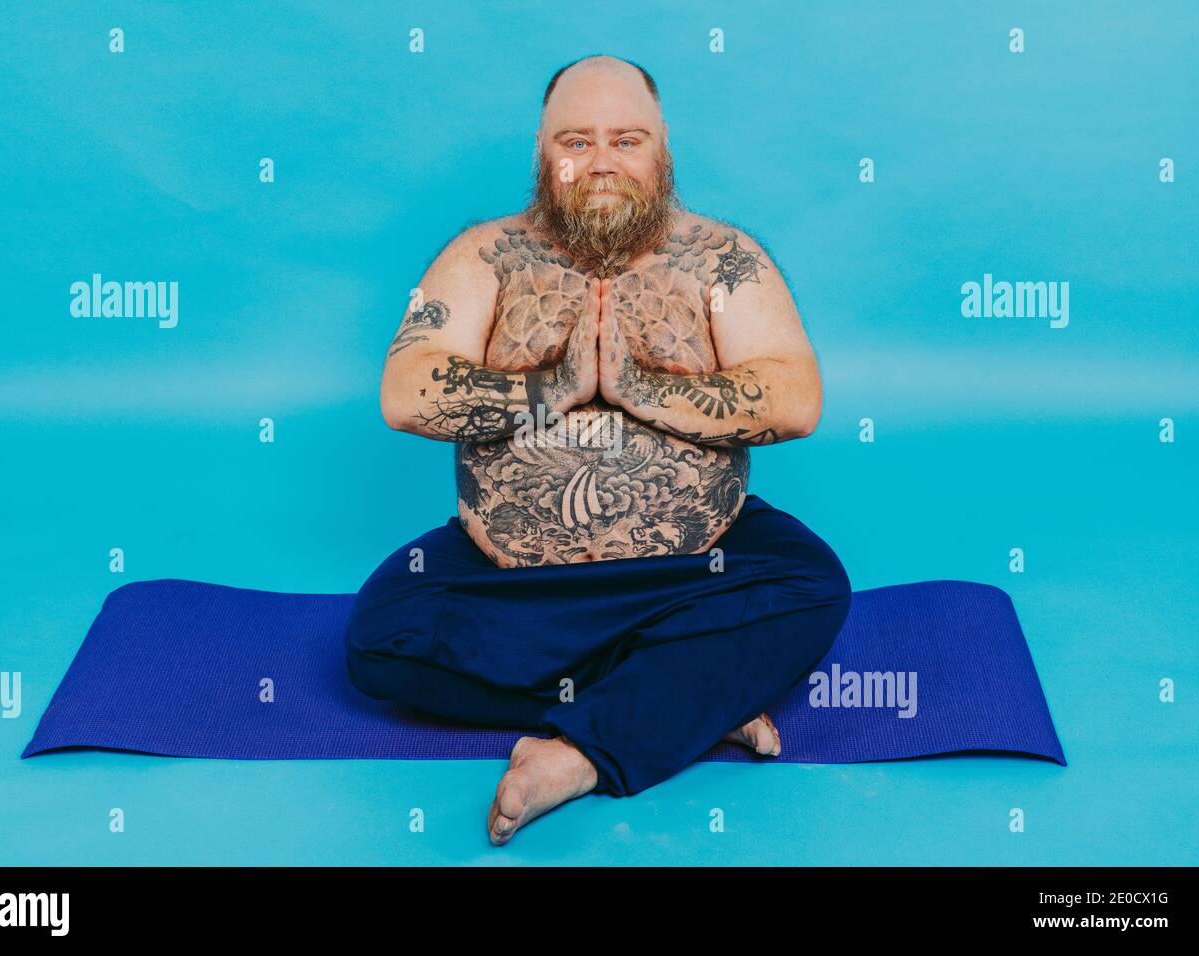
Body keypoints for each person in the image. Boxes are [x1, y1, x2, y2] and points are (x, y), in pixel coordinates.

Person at [345, 54, 852, 845]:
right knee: (381, 636)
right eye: (576, 141)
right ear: (543, 151)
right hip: (520, 589)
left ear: (663, 149)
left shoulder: (723, 258)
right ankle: (694, 695)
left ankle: (584, 750)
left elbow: (796, 397)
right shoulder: (484, 256)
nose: (602, 161)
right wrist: (557, 382)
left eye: (627, 139)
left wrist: (643, 389)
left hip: (694, 574)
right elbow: (404, 390)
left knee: (814, 586)